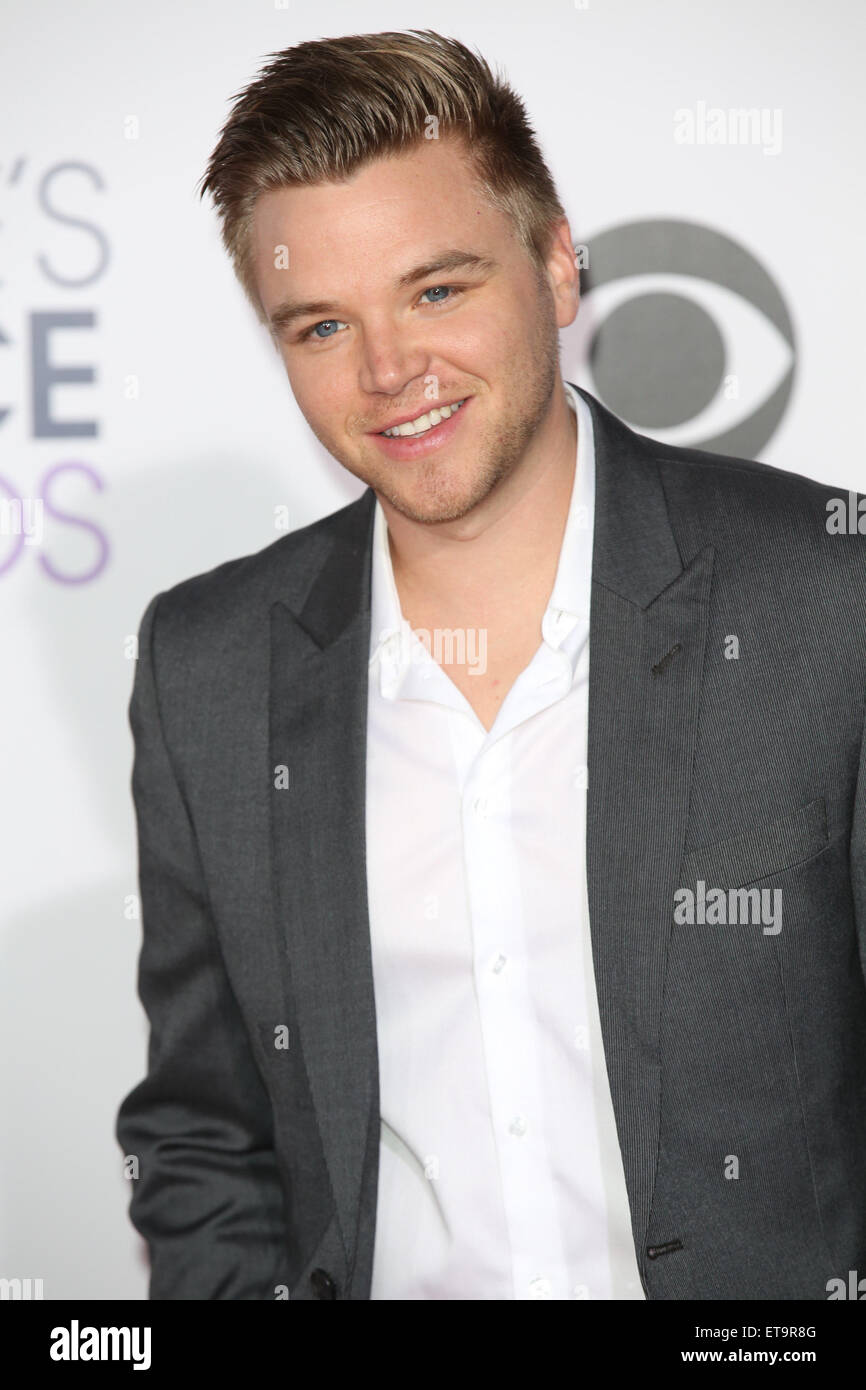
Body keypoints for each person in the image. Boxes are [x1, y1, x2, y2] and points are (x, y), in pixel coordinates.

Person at [116, 29, 866, 1300]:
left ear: (558, 264)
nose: (387, 371)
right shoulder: (207, 666)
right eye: (318, 325)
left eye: (437, 289)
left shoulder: (823, 593)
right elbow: (204, 1132)